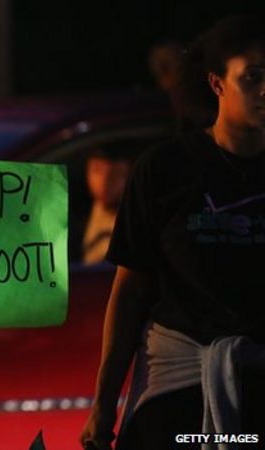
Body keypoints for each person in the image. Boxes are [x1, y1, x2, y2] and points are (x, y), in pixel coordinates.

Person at [80, 15, 265, 450]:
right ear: (217, 84)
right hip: (176, 391)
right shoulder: (165, 170)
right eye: (253, 77)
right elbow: (129, 290)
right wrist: (103, 404)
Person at [81, 147, 135, 264]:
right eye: (97, 170)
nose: (104, 182)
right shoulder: (76, 210)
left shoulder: (134, 218)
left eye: (116, 174)